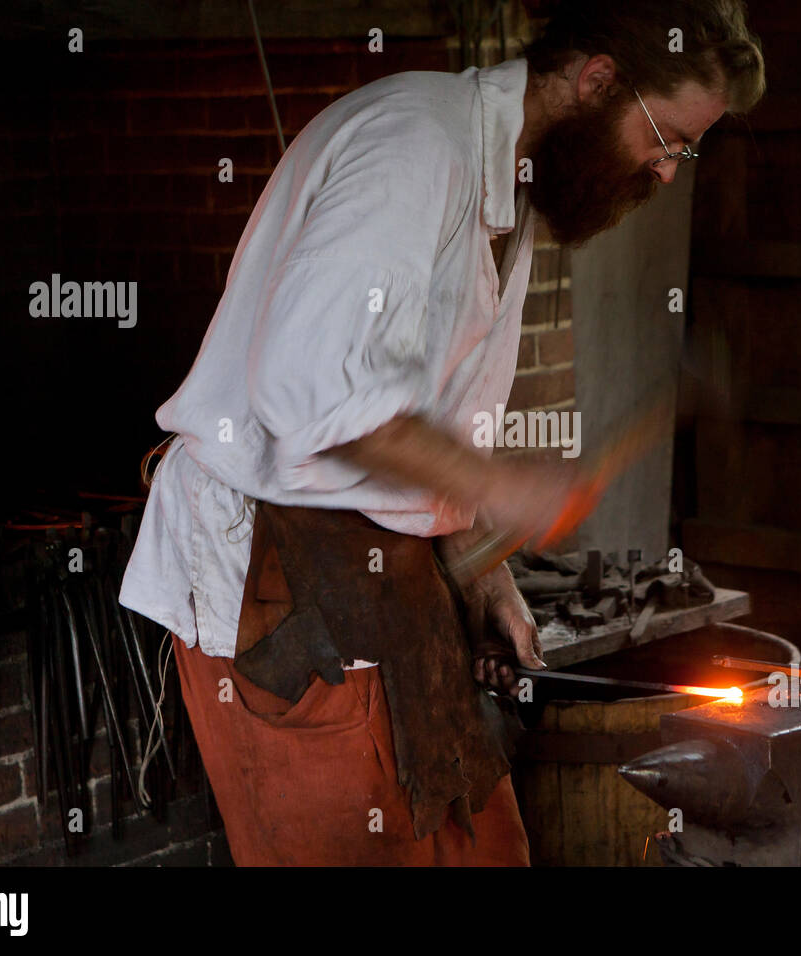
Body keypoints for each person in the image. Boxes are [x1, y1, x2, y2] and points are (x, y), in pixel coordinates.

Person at [119, 0, 765, 866]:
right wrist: (504, 486)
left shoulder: (513, 185)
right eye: (668, 137)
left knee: (486, 850)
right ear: (598, 80)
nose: (666, 171)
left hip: (389, 574)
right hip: (275, 585)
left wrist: (485, 574)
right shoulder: (415, 149)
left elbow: (424, 411)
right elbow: (308, 393)